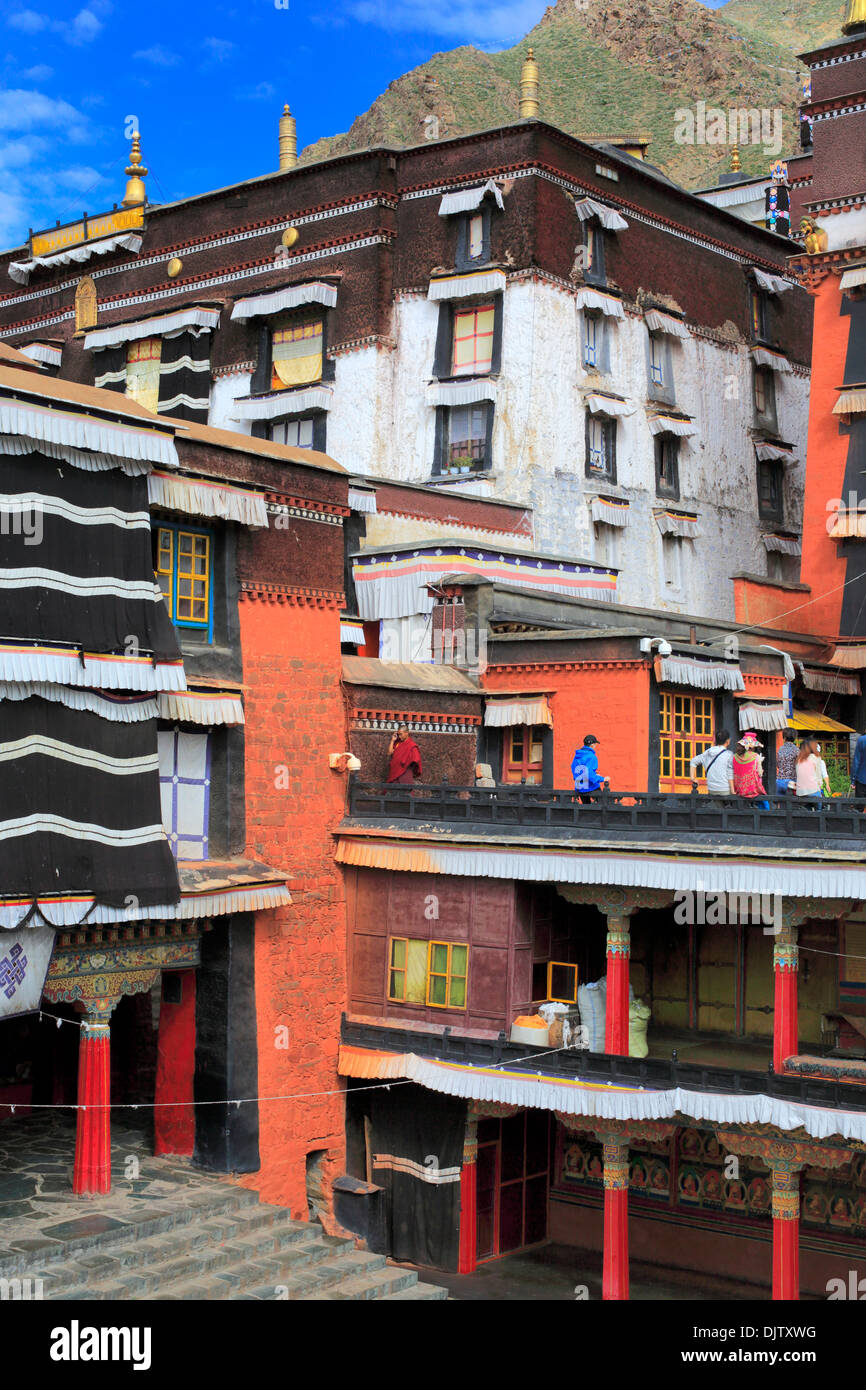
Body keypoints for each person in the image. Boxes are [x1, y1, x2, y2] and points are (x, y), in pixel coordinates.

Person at [689, 728, 735, 796]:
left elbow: (693, 761)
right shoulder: (729, 754)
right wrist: (733, 791)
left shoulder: (708, 752)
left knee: (718, 805)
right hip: (725, 790)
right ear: (728, 741)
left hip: (712, 789)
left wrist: (692, 778)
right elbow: (730, 774)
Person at [732, 731, 769, 808]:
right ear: (752, 746)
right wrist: (760, 762)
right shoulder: (756, 756)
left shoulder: (734, 756)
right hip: (752, 790)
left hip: (739, 789)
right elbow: (760, 773)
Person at [571, 734, 609, 803]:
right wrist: (602, 779)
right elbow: (589, 774)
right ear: (592, 745)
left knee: (586, 810)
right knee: (603, 804)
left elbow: (575, 770)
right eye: (595, 744)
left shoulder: (577, 756)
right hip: (591, 786)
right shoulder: (591, 756)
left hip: (580, 788)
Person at [775, 728, 798, 796]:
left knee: (779, 804)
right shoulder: (796, 750)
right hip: (791, 782)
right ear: (794, 737)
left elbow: (778, 764)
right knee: (791, 804)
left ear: (784, 737)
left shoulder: (780, 749)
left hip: (779, 781)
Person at [851, 729, 866, 798]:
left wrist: (853, 780)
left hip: (862, 779)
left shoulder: (861, 740)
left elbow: (856, 761)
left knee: (860, 806)